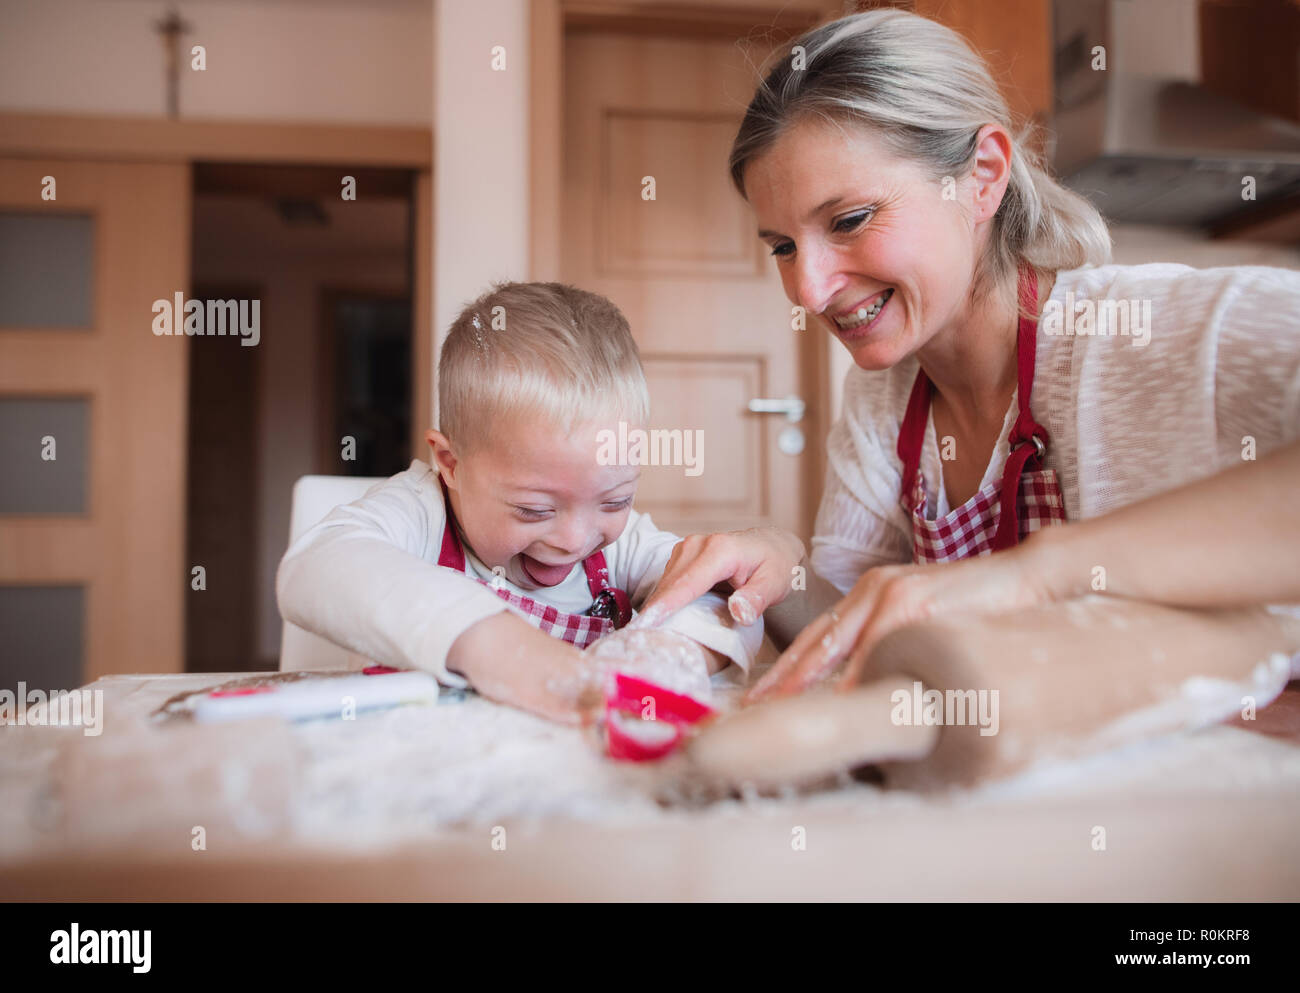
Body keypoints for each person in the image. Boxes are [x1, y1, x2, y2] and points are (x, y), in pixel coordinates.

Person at [634, 7, 1300, 699]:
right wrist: (777, 566)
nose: (807, 288)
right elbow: (854, 626)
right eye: (783, 246)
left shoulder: (1163, 329)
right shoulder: (884, 395)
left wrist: (1039, 569)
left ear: (983, 175)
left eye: (850, 219)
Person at [276, 281, 762, 724]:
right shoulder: (421, 513)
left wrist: (666, 653)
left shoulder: (623, 546)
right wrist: (494, 644)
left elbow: (723, 595)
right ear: (452, 463)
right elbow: (316, 566)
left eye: (614, 501)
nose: (575, 539)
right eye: (534, 510)